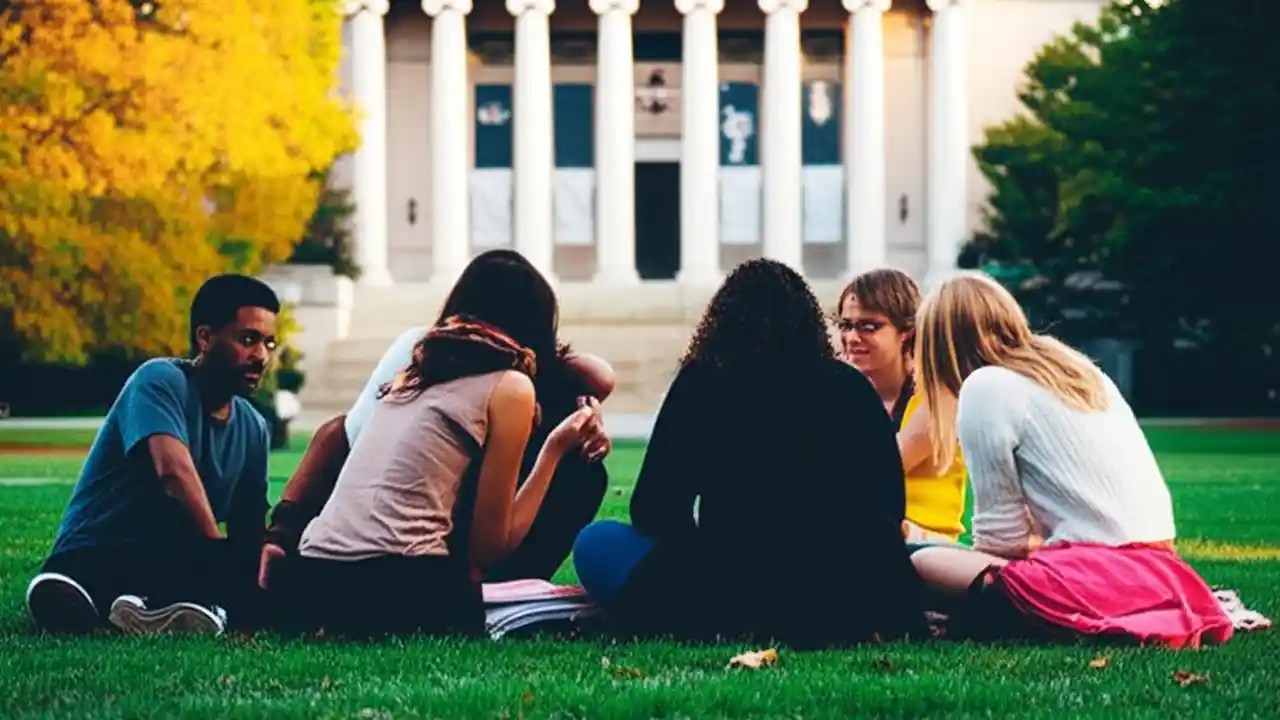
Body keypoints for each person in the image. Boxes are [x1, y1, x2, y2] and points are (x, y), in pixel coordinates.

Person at [572, 259, 928, 648]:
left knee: (598, 540)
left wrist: (698, 553)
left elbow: (654, 509)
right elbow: (889, 506)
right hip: (837, 599)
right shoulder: (849, 387)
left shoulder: (701, 383)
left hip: (727, 592)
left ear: (722, 320)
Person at [266, 255, 607, 637]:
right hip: (396, 583)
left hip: (312, 578)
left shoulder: (412, 370)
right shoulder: (510, 386)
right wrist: (555, 451)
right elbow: (490, 548)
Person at [909, 274, 1232, 648]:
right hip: (1163, 574)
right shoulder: (1074, 369)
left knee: (919, 561)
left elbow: (1002, 541)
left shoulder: (985, 386)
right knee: (938, 560)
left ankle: (998, 619)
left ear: (938, 346)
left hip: (1090, 575)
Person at [25, 275, 279, 636]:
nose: (261, 356)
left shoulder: (254, 426)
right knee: (66, 589)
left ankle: (149, 608)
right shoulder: (160, 380)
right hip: (102, 549)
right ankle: (105, 600)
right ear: (205, 338)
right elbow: (172, 473)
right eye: (248, 339)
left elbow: (248, 525)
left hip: (173, 557)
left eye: (269, 343)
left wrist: (257, 575)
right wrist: (217, 564)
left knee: (271, 588)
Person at [835, 269, 967, 543]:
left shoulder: (937, 395)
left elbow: (878, 473)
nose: (852, 337)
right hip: (873, 531)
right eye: (846, 325)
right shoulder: (847, 392)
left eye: (869, 326)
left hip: (927, 539)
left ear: (906, 333)